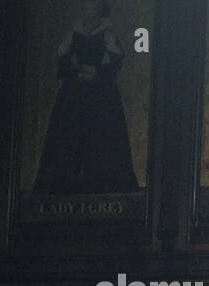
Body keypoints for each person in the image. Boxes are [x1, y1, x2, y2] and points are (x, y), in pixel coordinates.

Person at [32, 0, 139, 194]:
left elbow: (116, 60)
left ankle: (101, 181)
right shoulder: (75, 33)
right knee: (68, 132)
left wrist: (97, 72)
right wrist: (75, 72)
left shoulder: (107, 33)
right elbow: (61, 58)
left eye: (93, 8)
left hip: (101, 93)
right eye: (86, 8)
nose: (89, 12)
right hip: (75, 92)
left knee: (102, 134)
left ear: (100, 11)